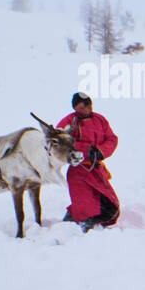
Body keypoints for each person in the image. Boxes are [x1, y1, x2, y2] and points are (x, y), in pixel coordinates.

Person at [56, 91, 119, 231]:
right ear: (75, 109)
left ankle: (73, 216)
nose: (85, 110)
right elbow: (59, 141)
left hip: (96, 169)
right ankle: (84, 222)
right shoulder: (68, 122)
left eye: (87, 106)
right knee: (87, 205)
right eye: (81, 109)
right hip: (78, 171)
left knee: (112, 206)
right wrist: (85, 150)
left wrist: (100, 152)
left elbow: (112, 139)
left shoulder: (100, 120)